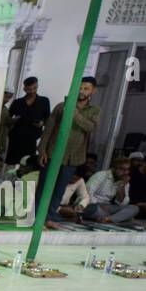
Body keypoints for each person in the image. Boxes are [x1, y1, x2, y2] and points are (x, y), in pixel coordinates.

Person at [39, 76, 99, 222]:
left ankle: (50, 216)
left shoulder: (94, 110)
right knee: (44, 187)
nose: (82, 91)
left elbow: (90, 127)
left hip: (73, 157)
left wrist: (74, 112)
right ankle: (37, 216)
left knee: (59, 189)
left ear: (93, 91)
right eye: (80, 87)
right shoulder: (61, 106)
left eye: (86, 88)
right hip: (53, 153)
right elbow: (48, 129)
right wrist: (42, 150)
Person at [6, 78, 49, 166]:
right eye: (29, 89)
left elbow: (48, 119)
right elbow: (8, 119)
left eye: (35, 88)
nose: (32, 91)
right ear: (24, 89)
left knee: (27, 164)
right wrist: (14, 121)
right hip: (16, 139)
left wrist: (42, 123)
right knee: (12, 164)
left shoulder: (44, 101)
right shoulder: (17, 102)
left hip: (32, 140)